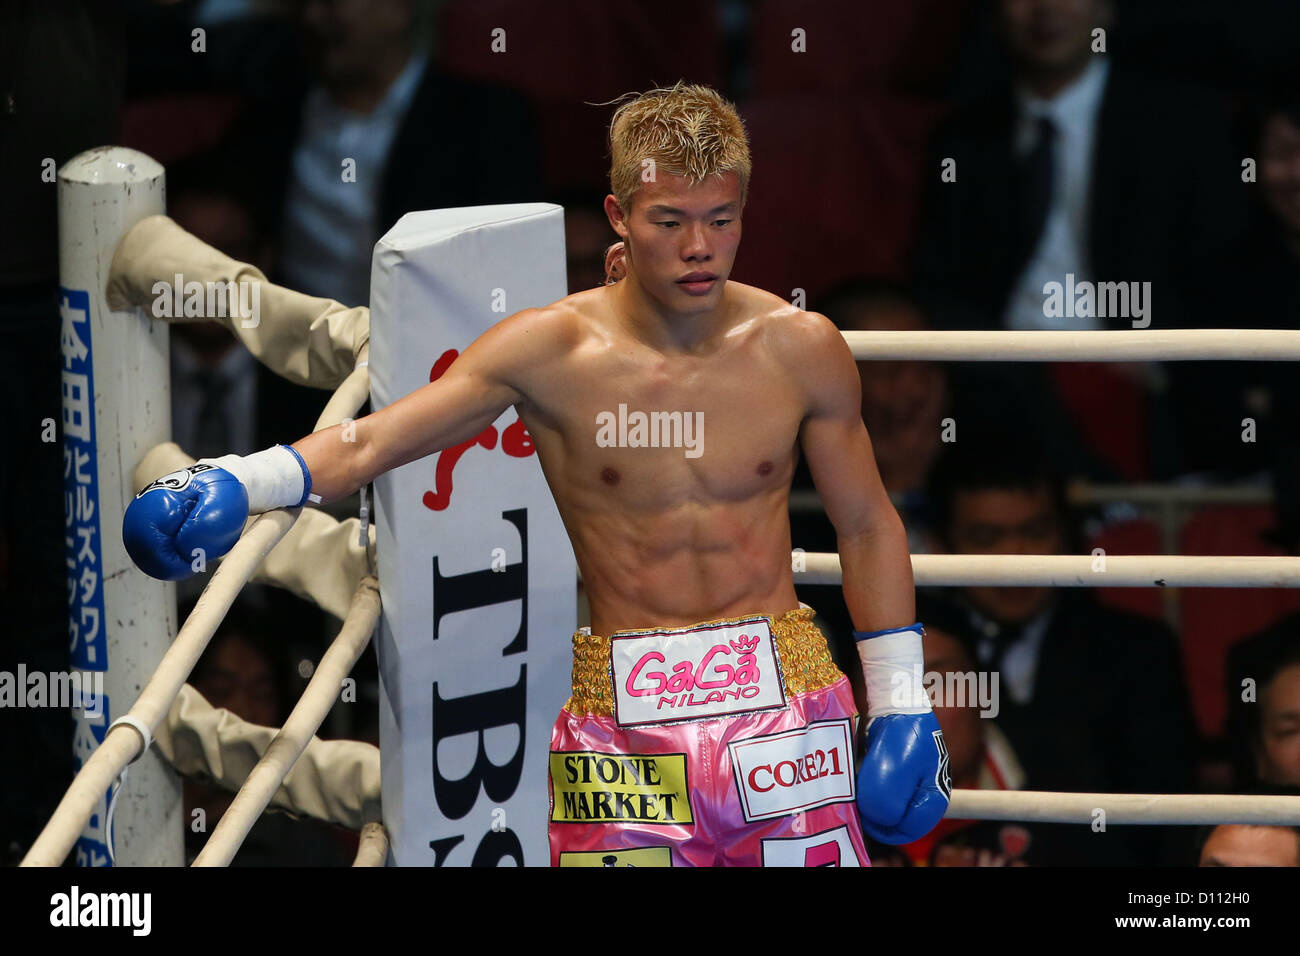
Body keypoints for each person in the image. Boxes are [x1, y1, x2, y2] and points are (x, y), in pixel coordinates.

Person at [121, 82, 949, 867]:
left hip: (785, 702)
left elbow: (868, 524)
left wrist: (903, 701)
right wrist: (241, 481)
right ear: (618, 216)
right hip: (623, 719)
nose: (700, 248)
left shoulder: (799, 346)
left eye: (721, 220)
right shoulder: (548, 352)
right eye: (671, 221)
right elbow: (373, 443)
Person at [924, 426, 1198, 864]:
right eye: (987, 538)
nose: (1017, 557)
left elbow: (1168, 824)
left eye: (1035, 531)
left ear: (1068, 536)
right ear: (940, 548)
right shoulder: (914, 649)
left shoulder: (1139, 650)